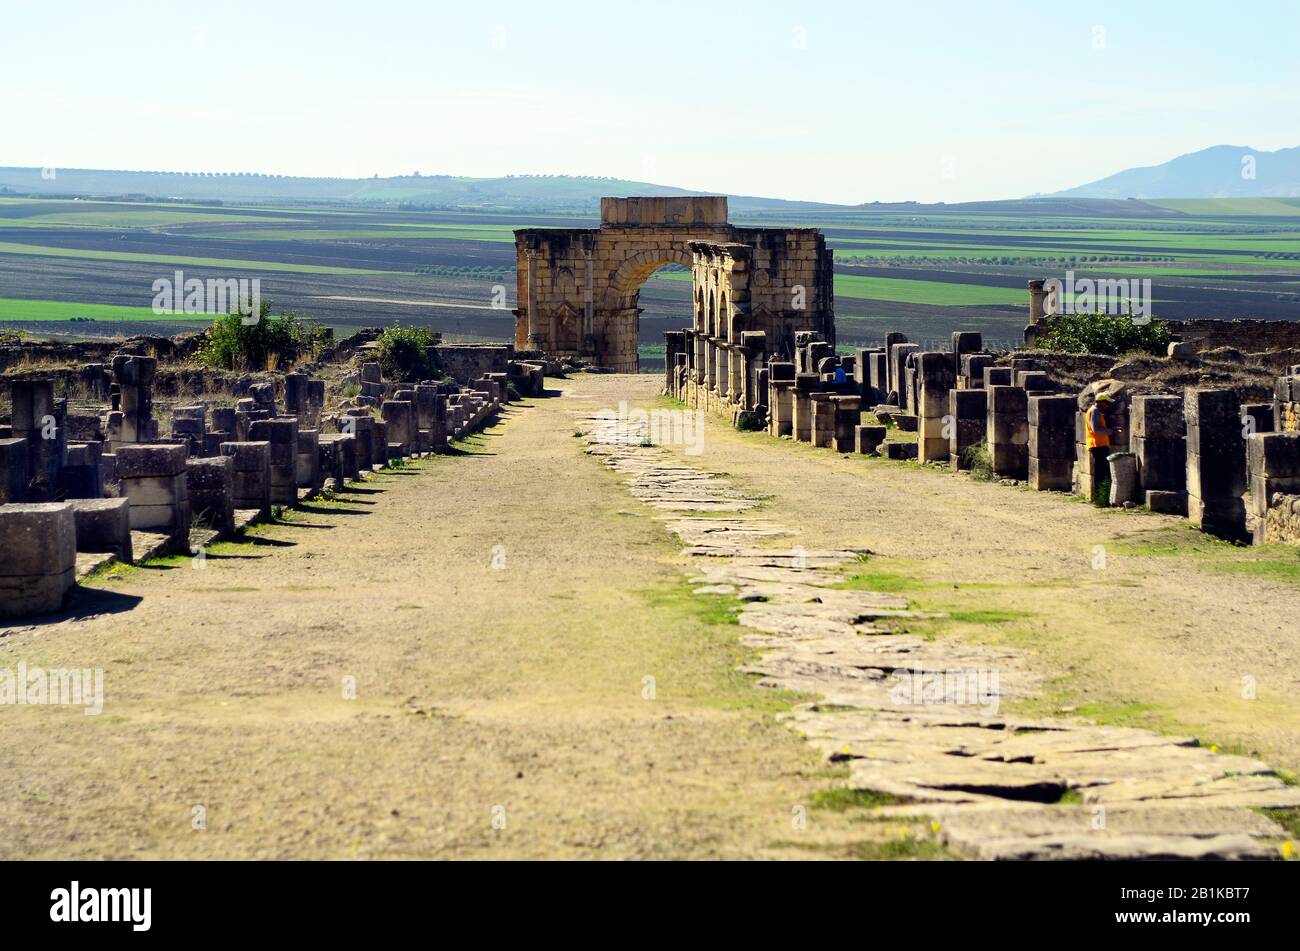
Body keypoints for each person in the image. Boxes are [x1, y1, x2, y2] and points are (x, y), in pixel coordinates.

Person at [1086, 392, 1118, 505]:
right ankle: (1099, 499)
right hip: (1097, 445)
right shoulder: (1094, 411)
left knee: (1101, 472)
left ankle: (1100, 498)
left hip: (1099, 445)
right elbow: (1096, 429)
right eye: (1106, 403)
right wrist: (1111, 431)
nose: (1107, 405)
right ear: (1100, 402)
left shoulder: (1095, 411)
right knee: (1101, 473)